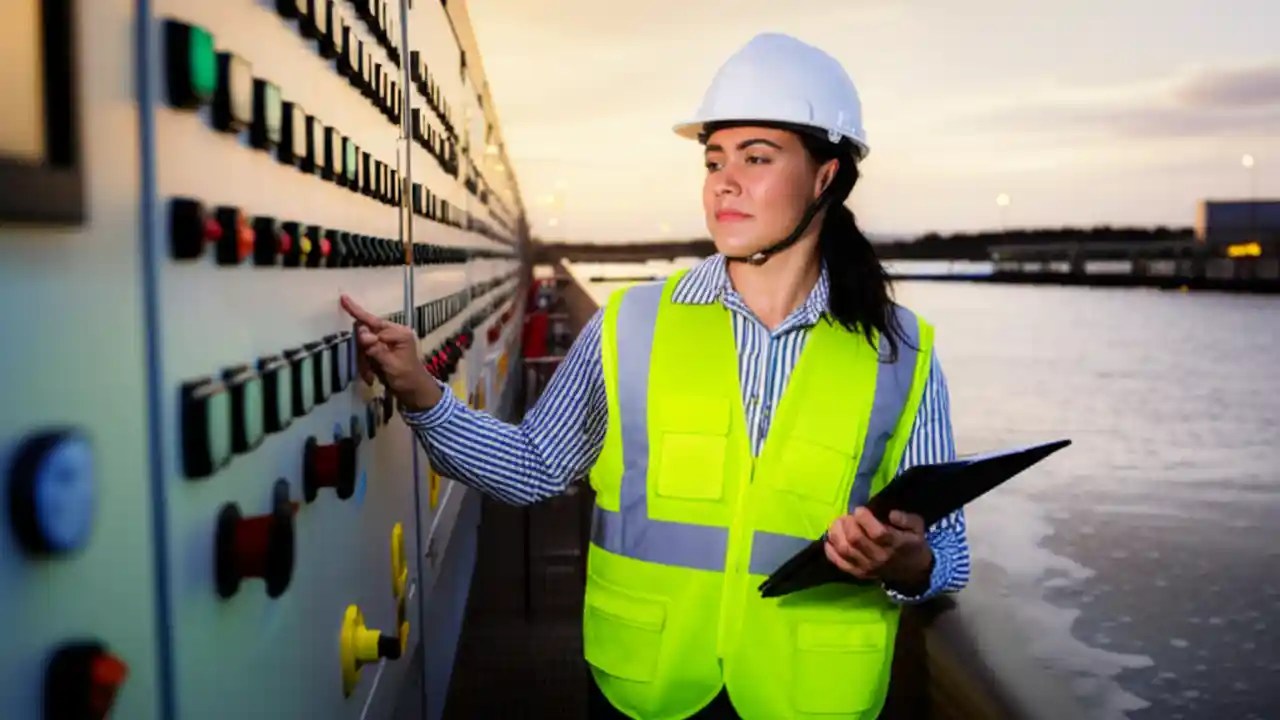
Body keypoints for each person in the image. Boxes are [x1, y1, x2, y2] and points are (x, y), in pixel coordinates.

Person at [341, 32, 970, 720]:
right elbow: (534, 467)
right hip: (648, 684)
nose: (725, 182)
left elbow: (949, 553)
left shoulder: (900, 350)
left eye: (757, 159)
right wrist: (421, 394)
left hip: (813, 695)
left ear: (825, 178)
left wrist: (908, 563)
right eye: (714, 161)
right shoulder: (631, 323)